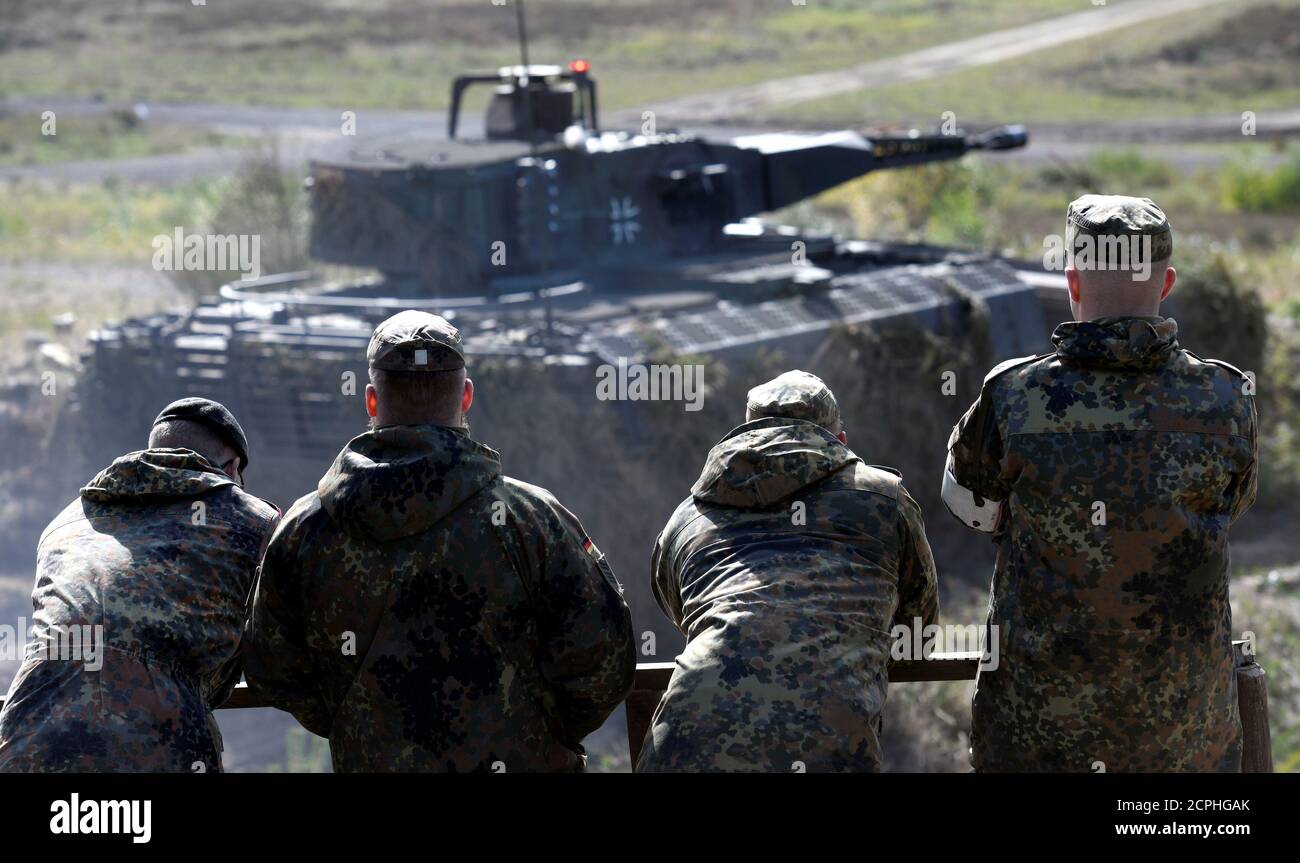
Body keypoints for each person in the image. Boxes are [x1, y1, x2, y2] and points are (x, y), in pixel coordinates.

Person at [943, 195, 1258, 772]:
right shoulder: (1225, 398)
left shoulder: (1015, 396)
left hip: (1036, 739)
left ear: (1072, 283)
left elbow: (967, 502)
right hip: (1186, 743)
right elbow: (1230, 506)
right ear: (1165, 284)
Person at [243, 310, 635, 772]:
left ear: (371, 401)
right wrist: (542, 734)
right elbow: (604, 661)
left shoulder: (305, 531)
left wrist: (356, 722)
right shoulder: (532, 520)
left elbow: (272, 667)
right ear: (465, 396)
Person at [638, 370, 939, 772]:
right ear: (840, 440)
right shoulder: (884, 498)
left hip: (685, 742)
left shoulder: (688, 517)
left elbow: (687, 616)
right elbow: (918, 632)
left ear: (745, 437)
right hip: (825, 743)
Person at [0, 398, 278, 772]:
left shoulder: (64, 523)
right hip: (155, 746)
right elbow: (277, 650)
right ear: (231, 468)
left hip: (25, 739)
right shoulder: (255, 520)